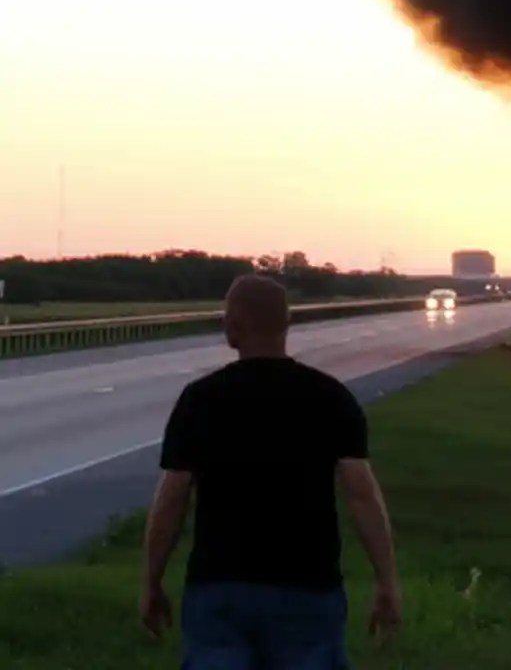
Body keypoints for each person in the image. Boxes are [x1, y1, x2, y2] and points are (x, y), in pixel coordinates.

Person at [139, 274, 401, 668]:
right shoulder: (330, 397)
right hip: (308, 586)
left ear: (232, 328)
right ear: (286, 325)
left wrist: (151, 580)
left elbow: (172, 497)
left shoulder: (201, 400)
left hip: (219, 586)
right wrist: (386, 580)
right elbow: (361, 494)